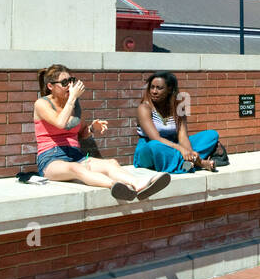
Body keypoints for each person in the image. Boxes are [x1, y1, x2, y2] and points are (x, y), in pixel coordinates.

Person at [33, 65, 169, 201]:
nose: (70, 86)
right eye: (64, 83)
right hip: (50, 159)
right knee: (76, 169)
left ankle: (138, 184)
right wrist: (72, 98)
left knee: (112, 163)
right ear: (50, 86)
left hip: (75, 155)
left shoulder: (73, 104)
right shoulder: (42, 104)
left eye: (71, 81)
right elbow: (60, 123)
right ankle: (116, 187)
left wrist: (92, 128)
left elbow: (80, 133)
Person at [135, 71, 221, 173]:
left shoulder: (179, 109)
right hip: (150, 150)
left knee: (211, 135)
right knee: (154, 145)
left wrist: (190, 152)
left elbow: (183, 137)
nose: (154, 91)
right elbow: (155, 138)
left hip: (174, 146)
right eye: (152, 87)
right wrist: (181, 149)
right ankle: (199, 163)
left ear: (169, 89)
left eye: (159, 88)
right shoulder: (144, 108)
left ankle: (187, 162)